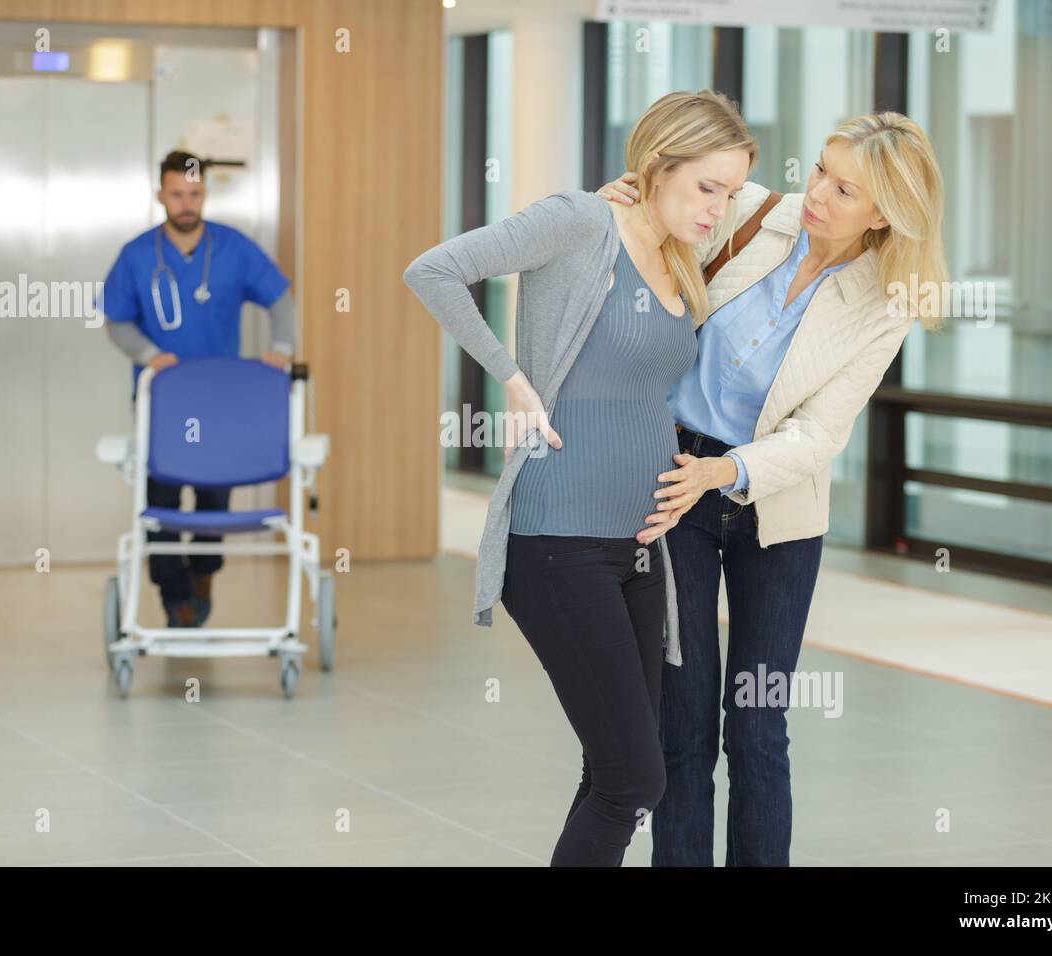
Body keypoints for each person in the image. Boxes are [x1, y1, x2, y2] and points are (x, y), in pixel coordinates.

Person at [405, 91, 757, 866]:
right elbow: (433, 269)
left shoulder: (676, 254)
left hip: (637, 548)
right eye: (707, 186)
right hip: (558, 544)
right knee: (637, 778)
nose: (720, 207)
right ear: (659, 164)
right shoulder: (577, 221)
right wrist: (510, 375)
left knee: (614, 772)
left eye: (731, 193)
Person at [597, 111, 947, 866]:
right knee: (682, 725)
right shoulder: (752, 213)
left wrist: (726, 472)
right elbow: (644, 238)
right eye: (821, 169)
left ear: (883, 213)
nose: (817, 192)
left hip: (774, 510)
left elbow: (821, 434)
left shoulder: (887, 303)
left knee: (758, 726)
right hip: (673, 489)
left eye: (845, 187)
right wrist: (616, 203)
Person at [98, 149, 295, 628]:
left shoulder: (233, 248)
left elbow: (280, 298)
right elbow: (118, 322)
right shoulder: (137, 255)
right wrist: (149, 356)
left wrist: (282, 346)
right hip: (162, 402)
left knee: (213, 497)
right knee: (162, 501)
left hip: (218, 403)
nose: (186, 203)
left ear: (204, 194)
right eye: (177, 194)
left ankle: (204, 571)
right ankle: (175, 593)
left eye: (194, 194)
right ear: (160, 196)